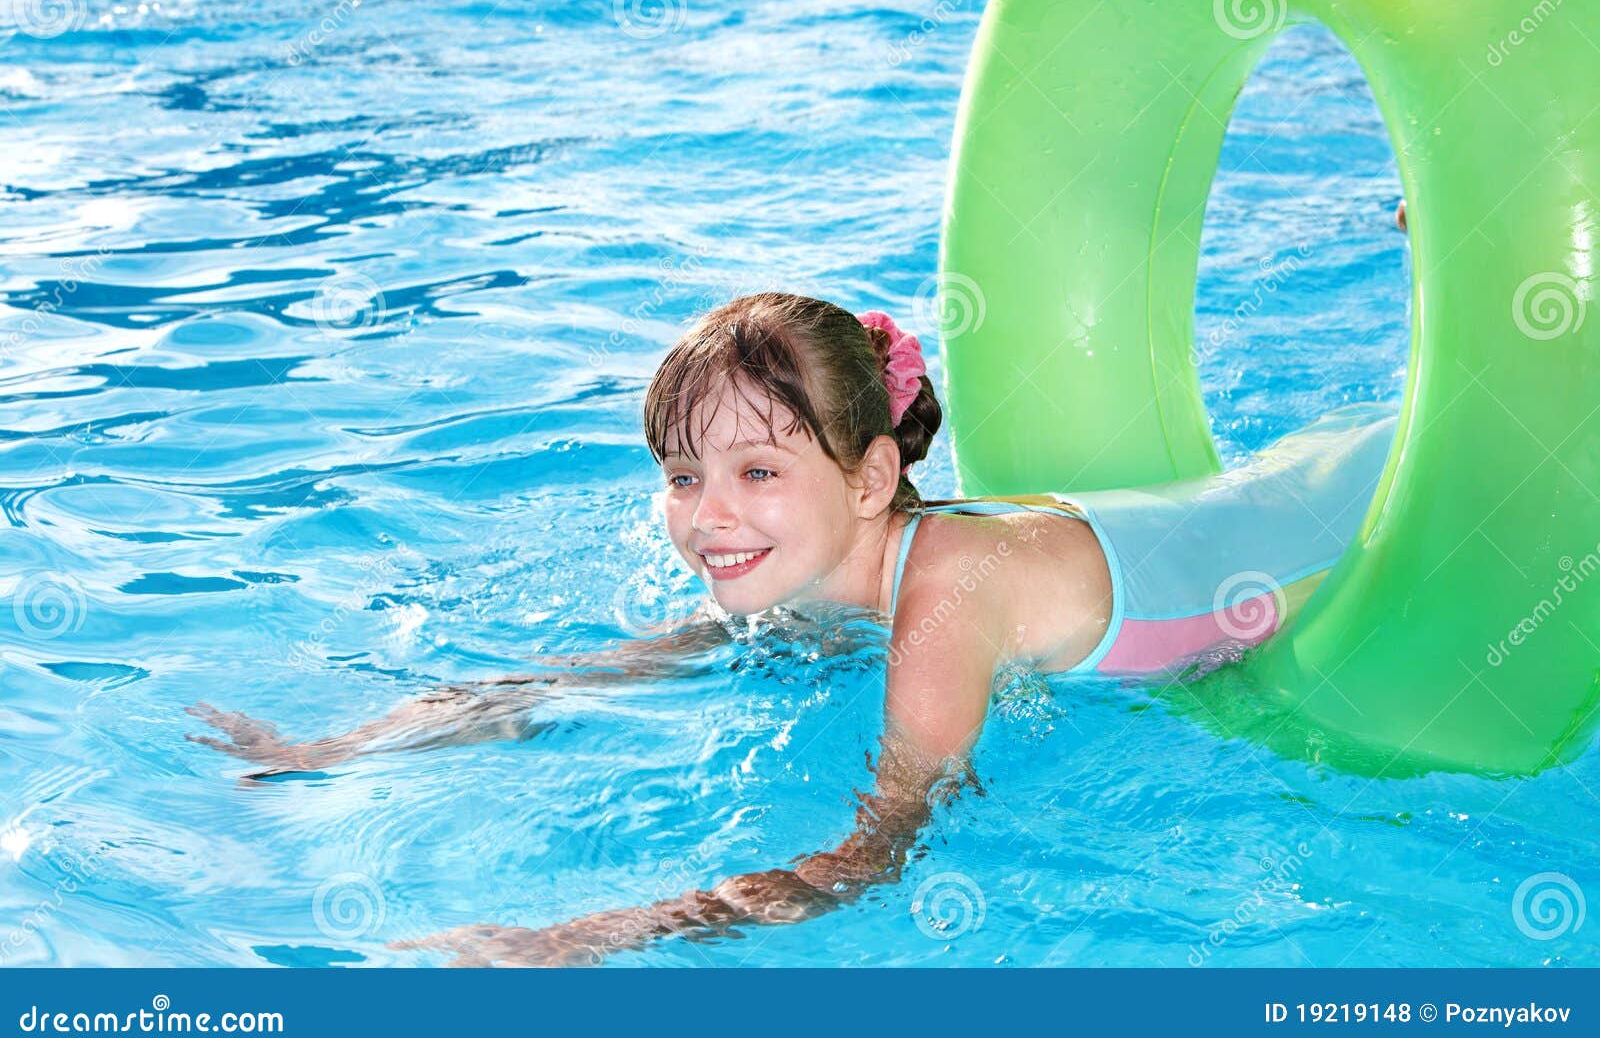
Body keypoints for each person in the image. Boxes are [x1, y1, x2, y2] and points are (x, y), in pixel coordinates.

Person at [189, 291, 1396, 965]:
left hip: (1351, 521)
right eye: (678, 474)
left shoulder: (944, 601)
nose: (706, 518)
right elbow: (605, 672)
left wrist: (596, 930)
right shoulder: (828, 573)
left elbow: (873, 853)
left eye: (758, 473)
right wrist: (337, 748)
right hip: (1257, 492)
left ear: (870, 479)